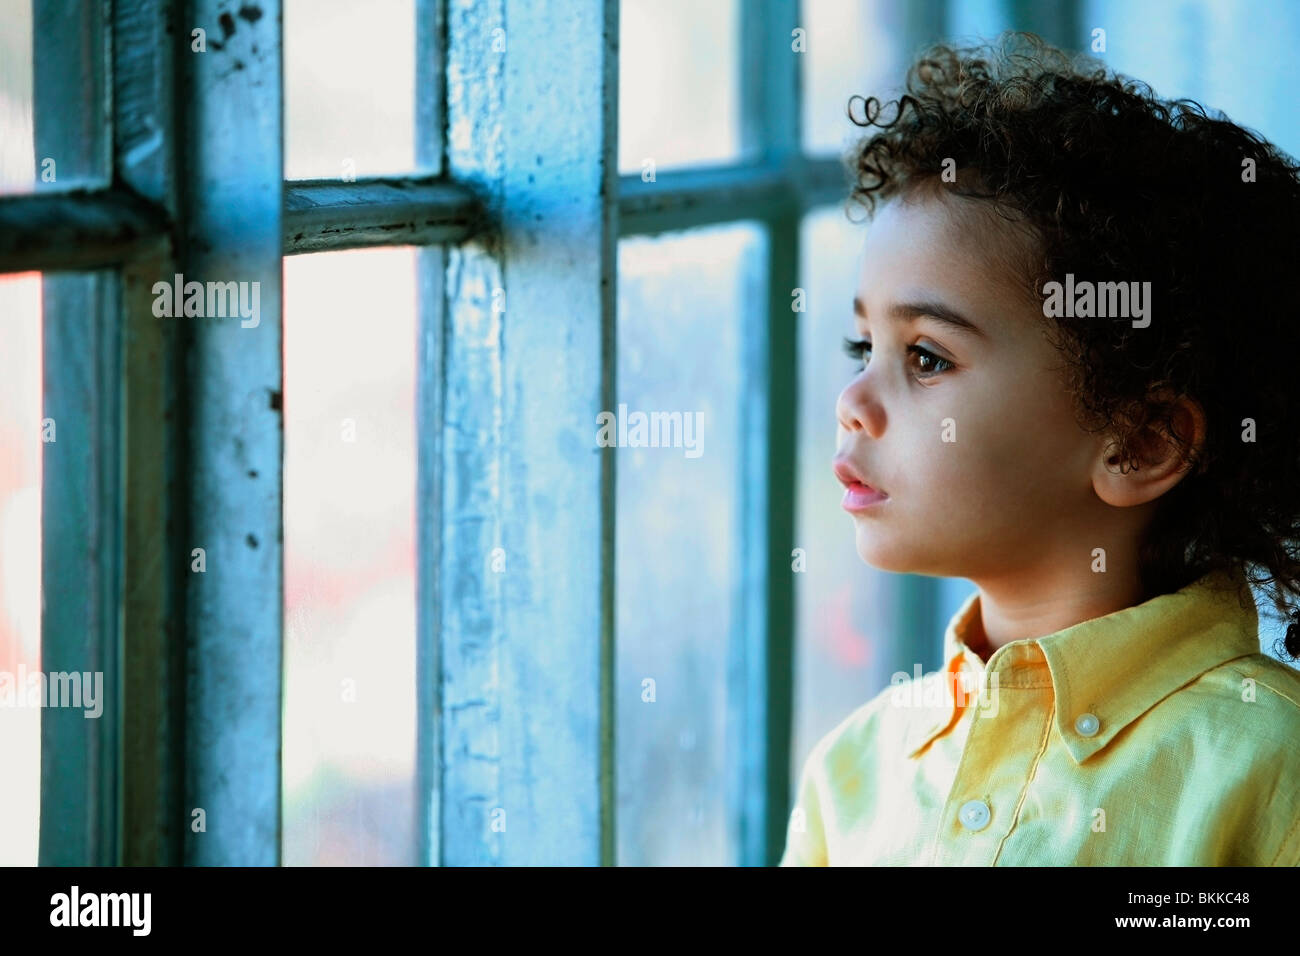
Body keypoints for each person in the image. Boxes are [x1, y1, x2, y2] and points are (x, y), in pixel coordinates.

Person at [781, 32, 1300, 866]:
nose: (852, 405)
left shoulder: (1272, 771)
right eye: (860, 349)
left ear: (1139, 443)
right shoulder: (849, 775)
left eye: (926, 358)